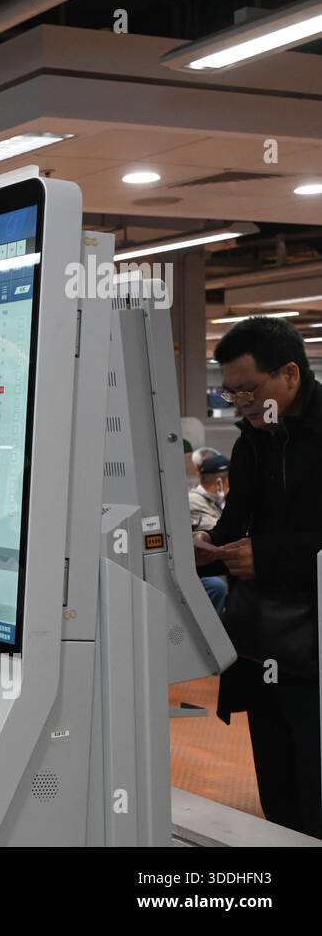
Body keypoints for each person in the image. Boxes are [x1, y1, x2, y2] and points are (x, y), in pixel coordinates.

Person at [195, 316, 322, 838]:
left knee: (315, 786)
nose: (241, 404)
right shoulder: (251, 440)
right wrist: (209, 551)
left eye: (249, 389)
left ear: (290, 374)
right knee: (277, 789)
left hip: (313, 647)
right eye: (231, 393)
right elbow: (237, 524)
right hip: (262, 639)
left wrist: (269, 556)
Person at [189, 453, 230, 615]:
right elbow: (221, 534)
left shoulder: (213, 502)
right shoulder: (194, 501)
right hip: (198, 568)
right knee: (217, 586)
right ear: (220, 483)